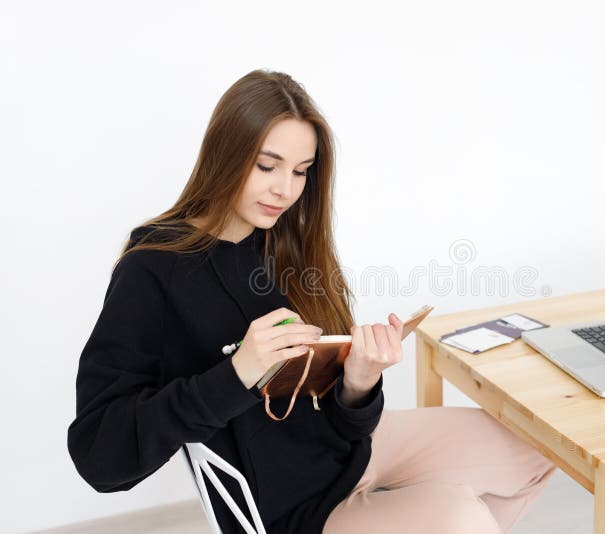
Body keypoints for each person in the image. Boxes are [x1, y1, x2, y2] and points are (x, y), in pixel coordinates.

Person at [67, 69, 556, 534]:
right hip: (291, 506)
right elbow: (100, 457)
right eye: (266, 165)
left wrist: (359, 383)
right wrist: (237, 374)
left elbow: (336, 409)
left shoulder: (285, 243)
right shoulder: (154, 266)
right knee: (463, 518)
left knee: (537, 449)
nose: (285, 190)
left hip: (348, 452)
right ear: (224, 154)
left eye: (301, 171)